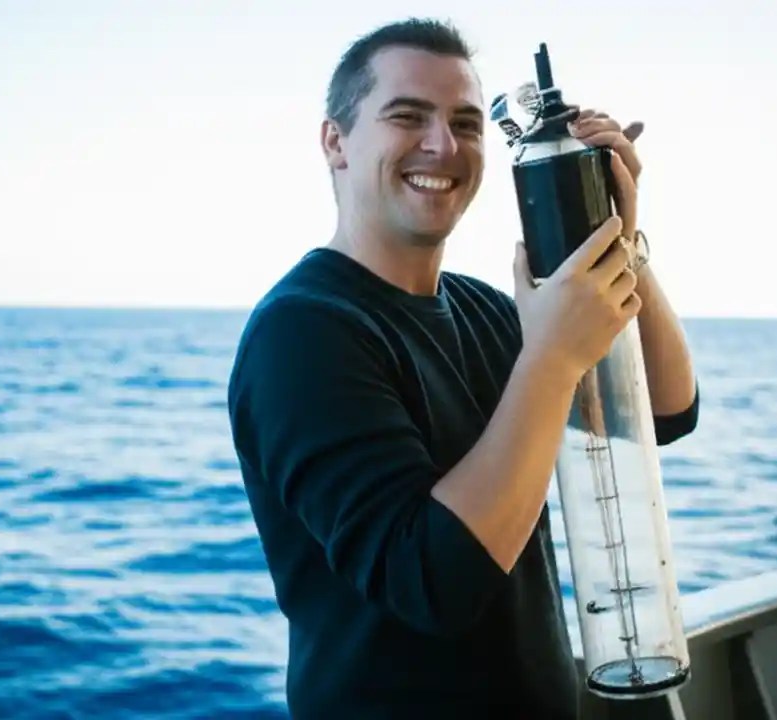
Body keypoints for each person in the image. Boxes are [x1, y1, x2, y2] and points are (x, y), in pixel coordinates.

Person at [226, 17, 699, 719]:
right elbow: (433, 582)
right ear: (336, 142)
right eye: (407, 117)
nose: (443, 146)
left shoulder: (490, 311)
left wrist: (617, 238)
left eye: (467, 124)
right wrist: (552, 354)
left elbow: (665, 412)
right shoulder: (302, 333)